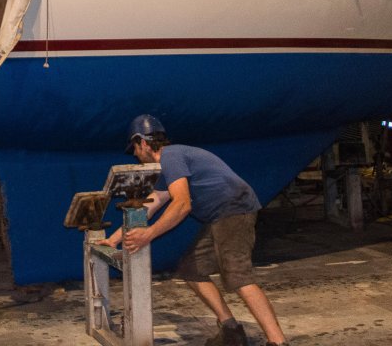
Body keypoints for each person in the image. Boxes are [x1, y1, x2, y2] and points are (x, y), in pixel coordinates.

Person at [102, 115, 288, 346]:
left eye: (135, 149)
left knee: (238, 276)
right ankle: (231, 330)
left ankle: (278, 341)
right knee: (191, 269)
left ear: (143, 142)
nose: (136, 156)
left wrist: (148, 235)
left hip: (234, 210)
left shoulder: (171, 156)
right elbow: (151, 205)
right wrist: (113, 239)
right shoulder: (168, 166)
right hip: (219, 216)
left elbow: (182, 204)